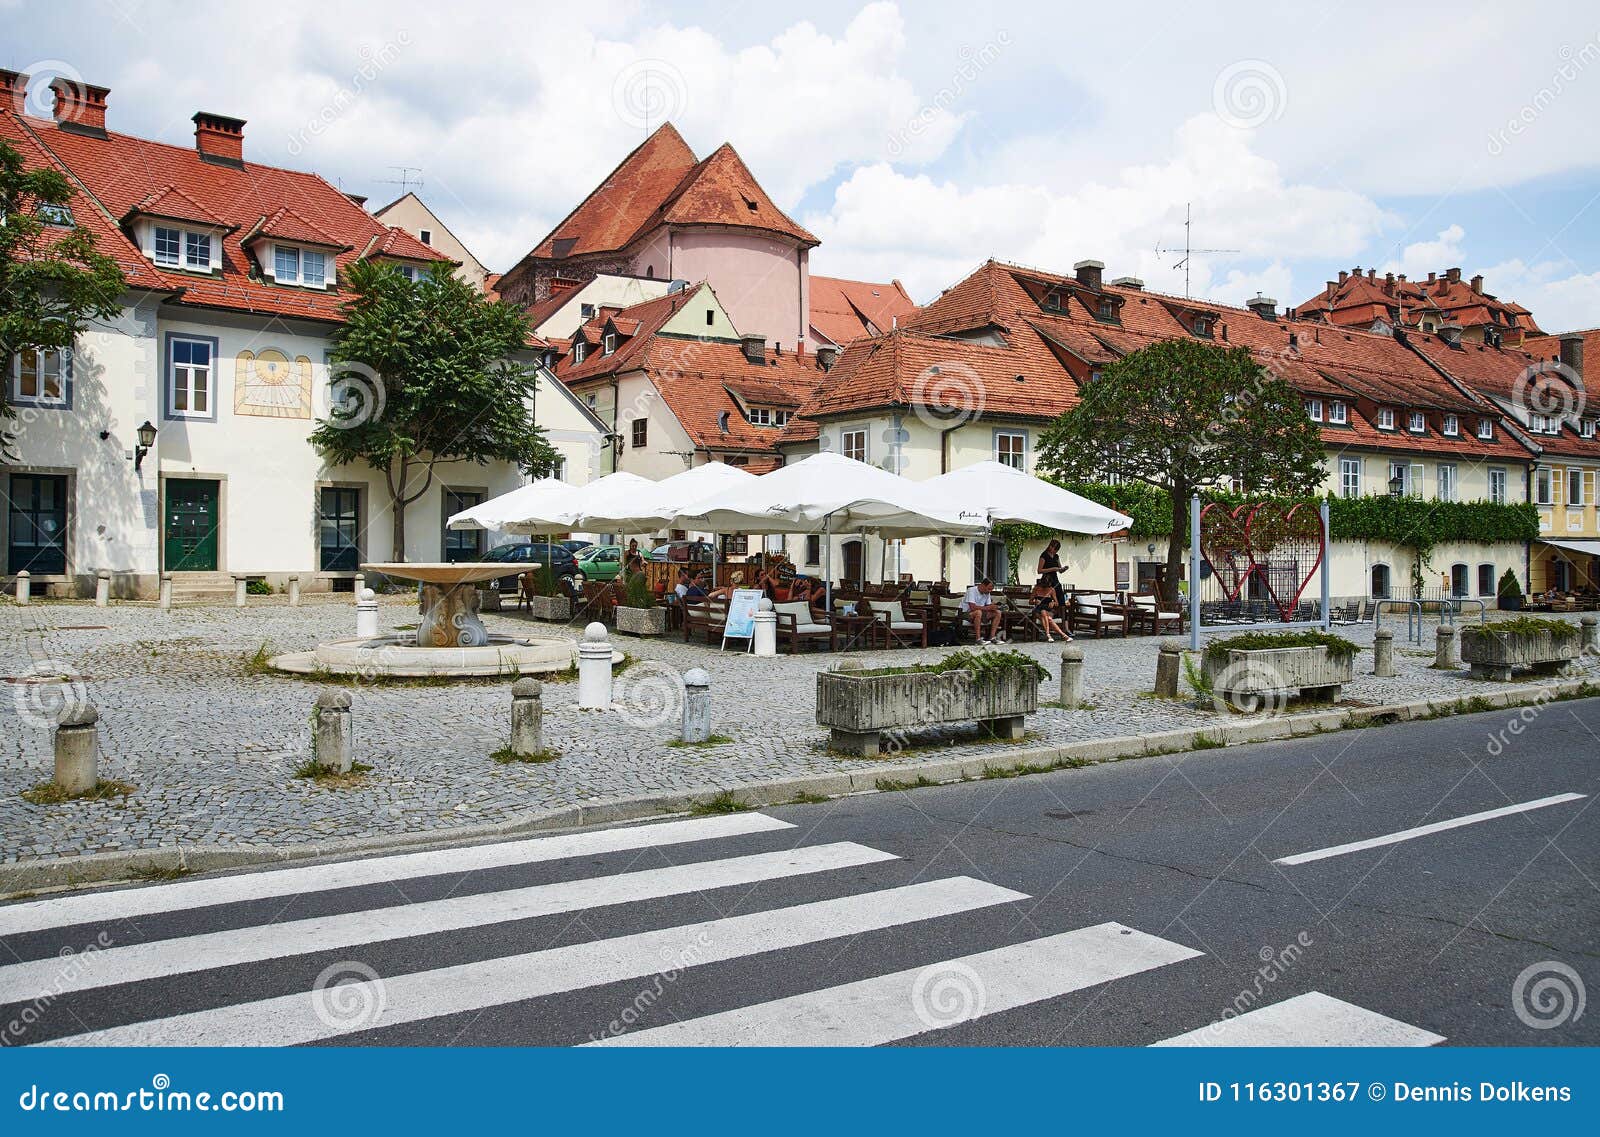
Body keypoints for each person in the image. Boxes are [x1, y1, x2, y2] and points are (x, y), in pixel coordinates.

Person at [961, 577, 1004, 644]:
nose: (989, 591)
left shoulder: (987, 593)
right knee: (978, 612)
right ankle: (978, 639)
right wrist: (988, 608)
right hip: (965, 613)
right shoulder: (971, 590)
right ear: (982, 585)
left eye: (991, 589)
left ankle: (992, 637)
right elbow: (972, 607)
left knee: (997, 613)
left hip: (980, 613)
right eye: (989, 588)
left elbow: (988, 605)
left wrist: (994, 607)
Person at [1037, 539, 1065, 607]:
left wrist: (1063, 569)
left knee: (1060, 596)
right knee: (1048, 599)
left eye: (1057, 550)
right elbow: (1039, 570)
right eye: (1054, 549)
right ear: (1050, 546)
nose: (1055, 551)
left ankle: (1060, 613)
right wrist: (1052, 569)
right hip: (1046, 580)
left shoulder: (1056, 556)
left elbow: (1060, 570)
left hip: (1055, 579)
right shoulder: (1044, 555)